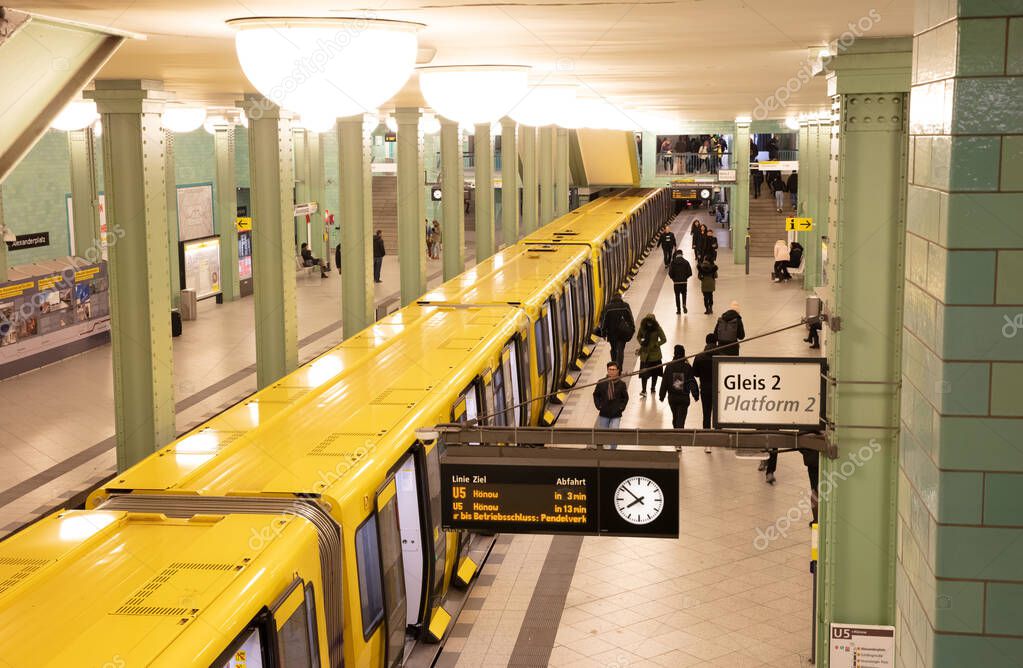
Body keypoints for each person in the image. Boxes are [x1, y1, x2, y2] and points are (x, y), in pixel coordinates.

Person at [659, 344, 700, 429]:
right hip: (684, 398)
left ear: (674, 354)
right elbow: (692, 381)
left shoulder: (669, 366)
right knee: (681, 420)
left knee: (675, 418)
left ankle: (676, 434)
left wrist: (661, 395)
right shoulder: (687, 367)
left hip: (672, 397)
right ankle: (679, 436)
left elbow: (664, 382)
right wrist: (695, 394)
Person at [593, 361, 629, 449]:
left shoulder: (621, 384)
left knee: (614, 432)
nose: (611, 371)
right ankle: (603, 450)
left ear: (617, 371)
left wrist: (621, 407)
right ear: (607, 370)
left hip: (616, 414)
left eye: (613, 369)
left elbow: (625, 398)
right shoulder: (601, 382)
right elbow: (596, 395)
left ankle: (613, 450)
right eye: (610, 369)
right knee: (603, 434)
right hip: (604, 413)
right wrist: (599, 406)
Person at [599, 294, 635, 369]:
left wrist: (603, 333)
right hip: (623, 333)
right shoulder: (625, 306)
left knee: (614, 349)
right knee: (621, 350)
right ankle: (619, 368)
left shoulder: (608, 307)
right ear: (620, 298)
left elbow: (604, 321)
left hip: (612, 334)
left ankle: (614, 365)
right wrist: (632, 329)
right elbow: (630, 319)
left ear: (612, 298)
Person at [692, 333, 718, 435]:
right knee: (718, 413)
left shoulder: (699, 357)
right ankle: (719, 433)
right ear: (716, 342)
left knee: (706, 412)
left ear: (706, 342)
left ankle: (706, 433)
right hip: (718, 389)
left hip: (705, 388)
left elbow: (695, 373)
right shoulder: (721, 355)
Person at [636, 314, 665, 397]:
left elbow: (664, 339)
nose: (649, 324)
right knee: (643, 374)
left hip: (655, 355)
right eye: (648, 322)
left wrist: (656, 344)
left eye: (651, 322)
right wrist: (641, 342)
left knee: (655, 373)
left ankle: (653, 387)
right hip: (645, 355)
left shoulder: (657, 329)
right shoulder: (642, 328)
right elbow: (638, 337)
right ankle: (644, 390)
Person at [667, 249, 692, 315]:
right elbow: (690, 273)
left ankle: (678, 310)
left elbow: (670, 273)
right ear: (682, 254)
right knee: (684, 294)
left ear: (676, 255)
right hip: (684, 282)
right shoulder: (686, 262)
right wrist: (685, 278)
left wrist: (674, 279)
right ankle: (684, 304)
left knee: (677, 296)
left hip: (676, 283)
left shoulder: (673, 262)